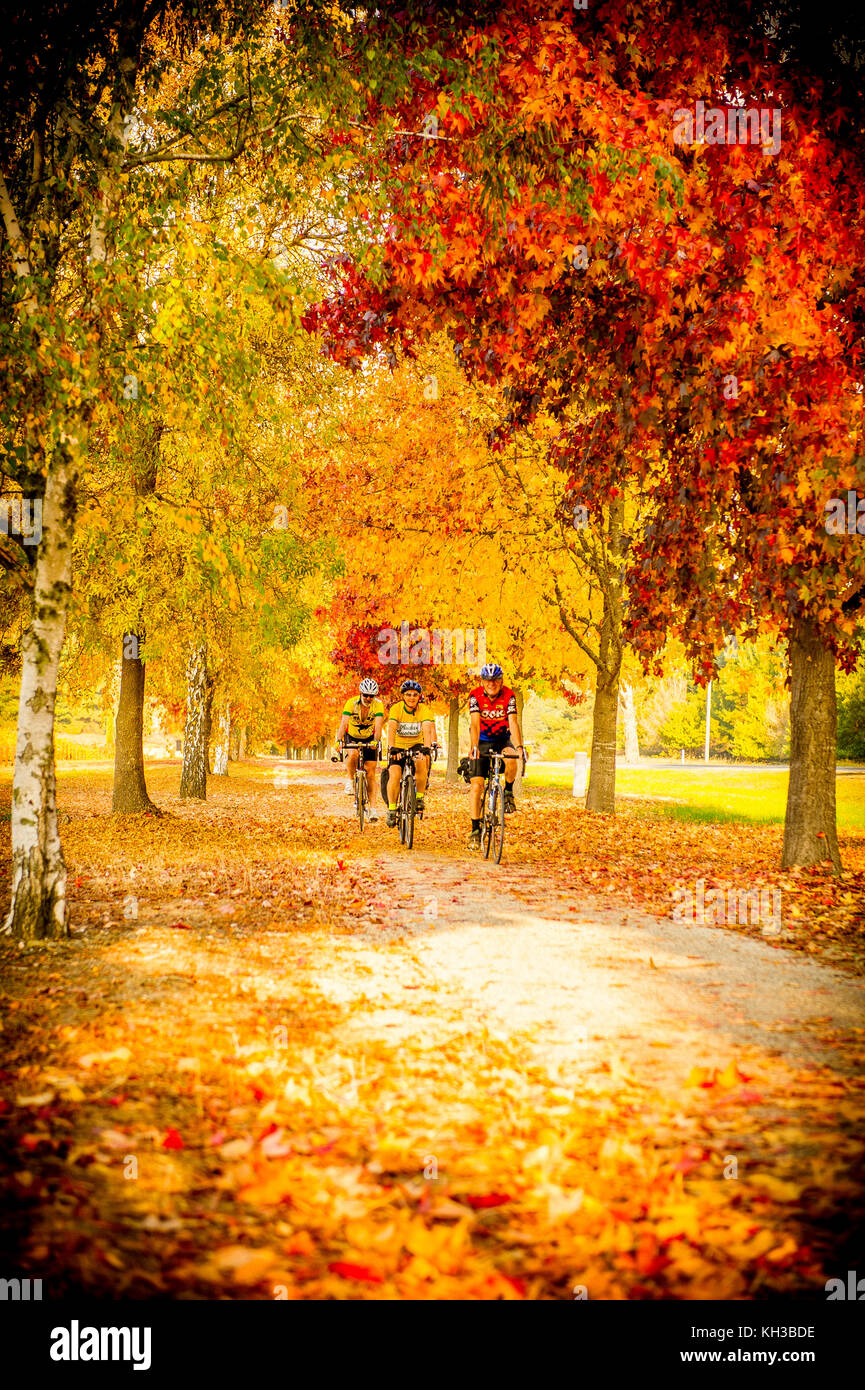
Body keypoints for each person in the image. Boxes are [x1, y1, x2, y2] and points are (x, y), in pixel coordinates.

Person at [466, 663, 526, 849]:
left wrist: (519, 746)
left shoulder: (509, 695)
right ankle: (475, 830)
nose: (491, 684)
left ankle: (508, 792)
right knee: (476, 786)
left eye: (495, 680)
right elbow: (475, 724)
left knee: (511, 757)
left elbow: (513, 723)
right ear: (483, 681)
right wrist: (474, 747)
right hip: (482, 740)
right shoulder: (475, 695)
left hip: (502, 739)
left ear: (501, 681)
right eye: (488, 680)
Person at [385, 679, 436, 827]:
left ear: (419, 696)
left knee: (421, 762)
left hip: (416, 745)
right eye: (408, 695)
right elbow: (392, 728)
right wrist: (392, 748)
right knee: (394, 774)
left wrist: (426, 748)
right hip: (398, 746)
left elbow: (427, 728)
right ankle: (392, 809)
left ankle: (419, 798)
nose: (412, 698)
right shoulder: (396, 708)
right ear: (403, 696)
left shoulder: (424, 710)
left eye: (415, 695)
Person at [335, 678, 385, 821]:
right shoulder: (351, 703)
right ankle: (350, 781)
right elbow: (343, 723)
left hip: (369, 738)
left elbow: (378, 726)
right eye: (366, 695)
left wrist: (376, 741)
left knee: (370, 774)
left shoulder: (378, 706)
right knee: (353, 754)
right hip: (352, 735)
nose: (368, 698)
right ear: (361, 694)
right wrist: (339, 740)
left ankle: (373, 810)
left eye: (371, 696)